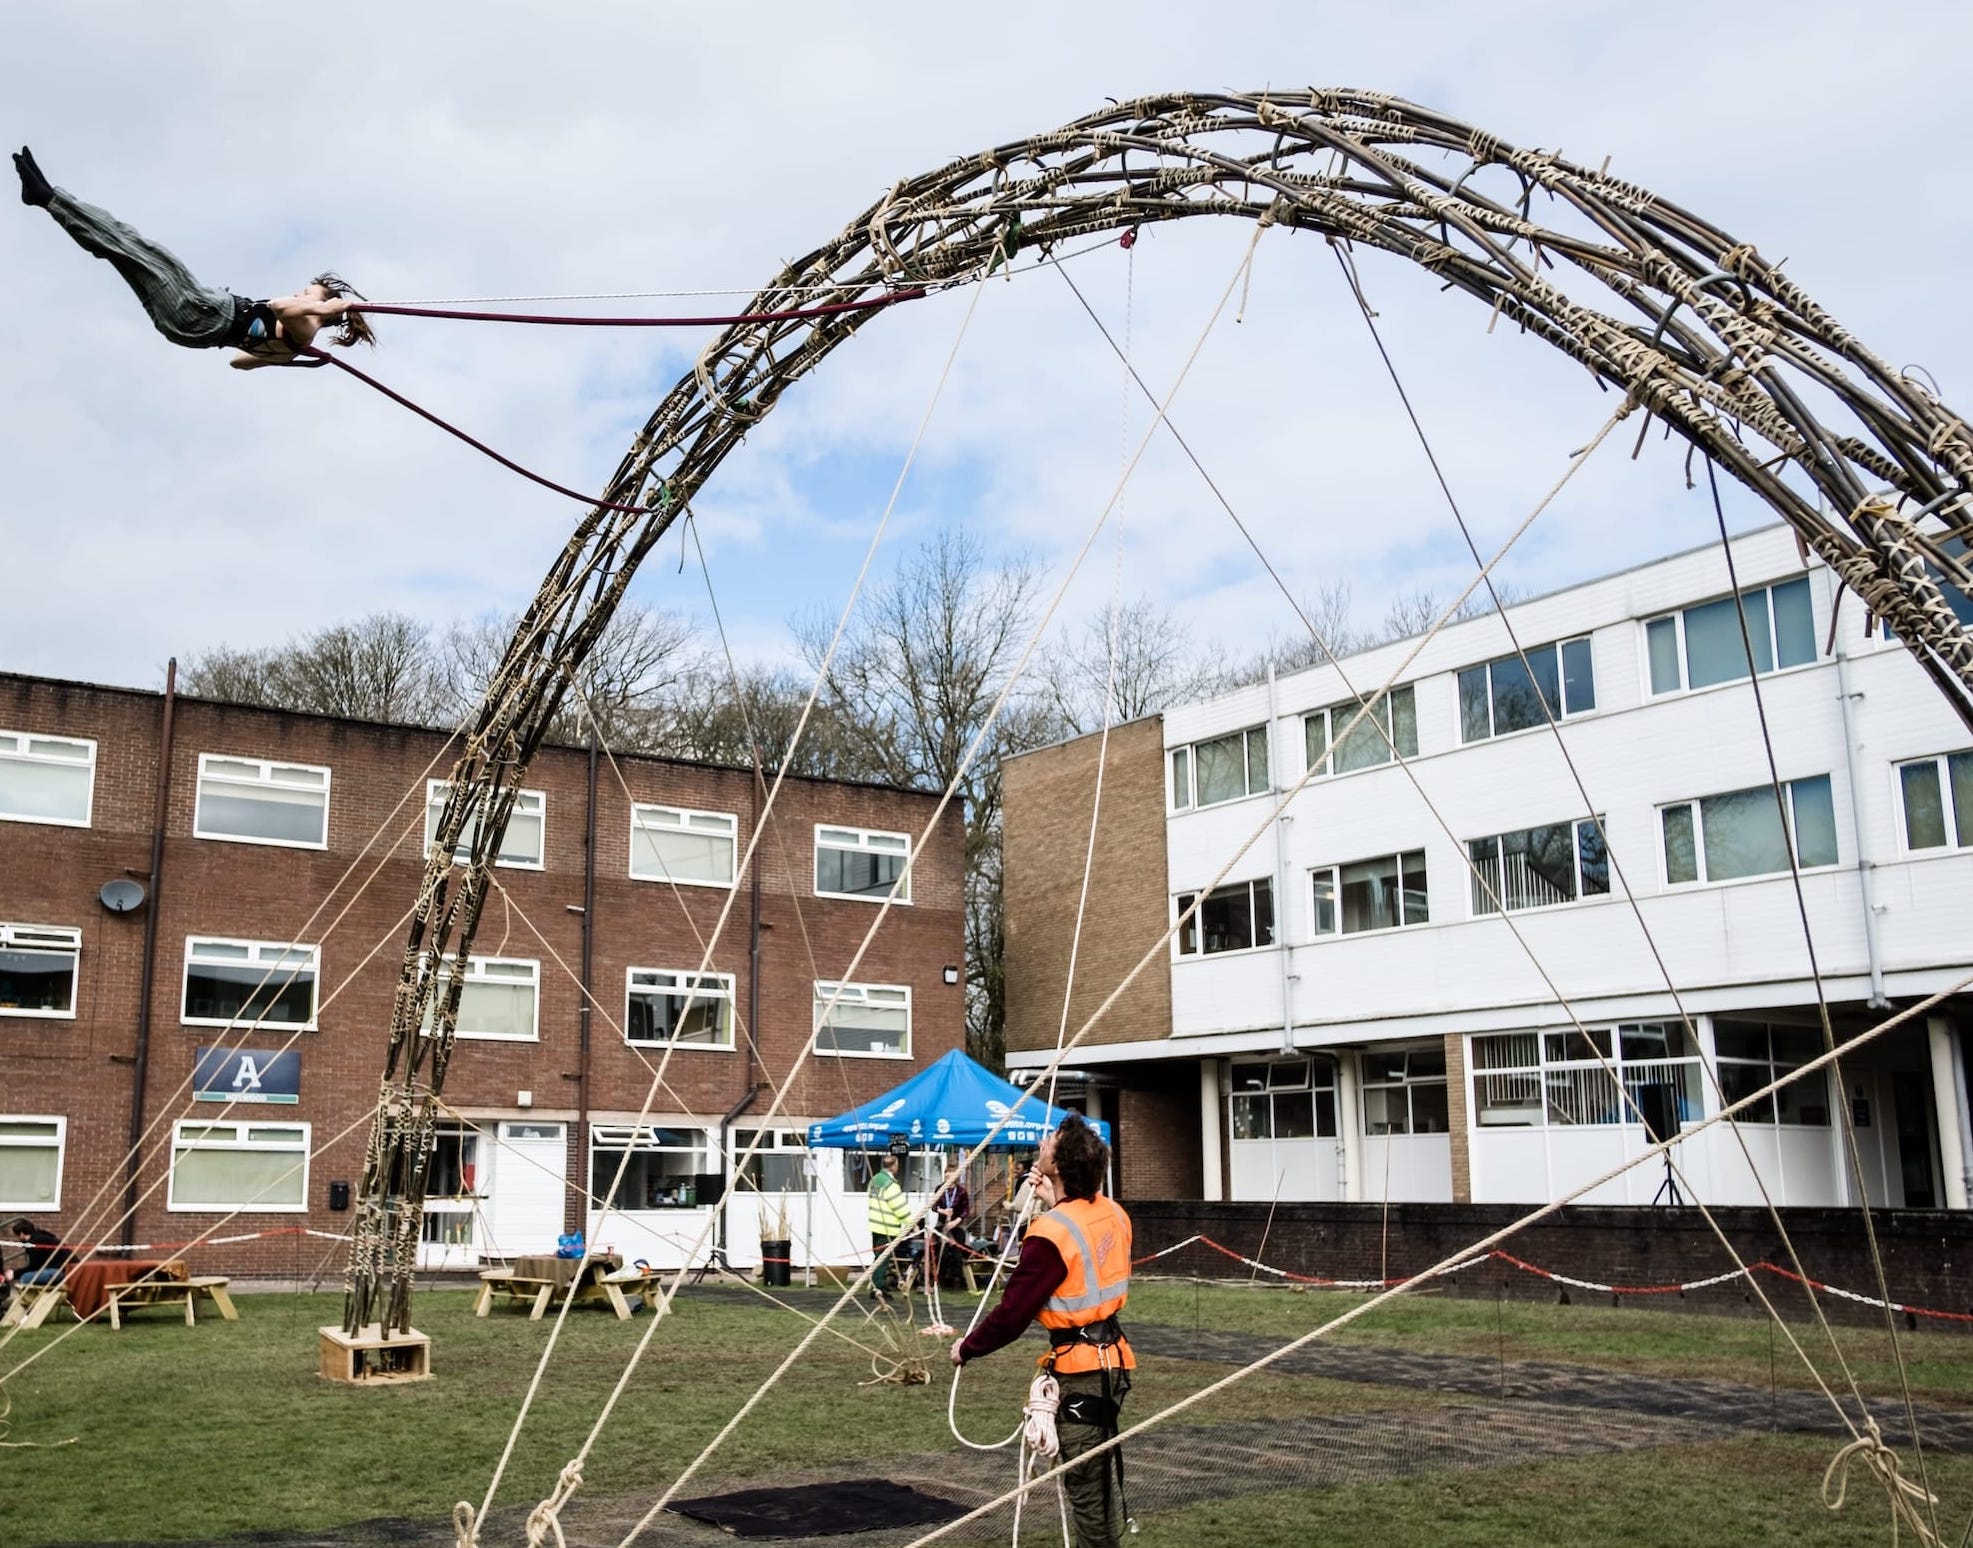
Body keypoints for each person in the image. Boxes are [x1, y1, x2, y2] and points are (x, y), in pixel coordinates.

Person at [14, 146, 376, 368]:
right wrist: (287, 359)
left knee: (131, 248)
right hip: (198, 322)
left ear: (323, 305)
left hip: (206, 314)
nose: (301, 294)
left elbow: (283, 307)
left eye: (308, 292)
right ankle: (49, 199)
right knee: (127, 248)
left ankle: (47, 197)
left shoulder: (306, 325)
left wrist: (332, 310)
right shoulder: (296, 343)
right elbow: (238, 363)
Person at [951, 1115, 1133, 1547]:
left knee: (1087, 1490)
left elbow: (1012, 1314)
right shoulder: (1112, 1212)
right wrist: (1056, 1201)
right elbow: (1083, 1240)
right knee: (1096, 1482)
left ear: (1060, 1163)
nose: (1043, 1140)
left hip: (1082, 1373)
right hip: (1112, 1363)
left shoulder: (1050, 1233)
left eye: (1051, 1140)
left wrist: (967, 1348)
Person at [866, 1153, 910, 1302]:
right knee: (882, 1260)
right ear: (894, 1166)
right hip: (887, 1227)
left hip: (875, 1225)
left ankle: (876, 1286)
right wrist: (911, 1223)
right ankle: (878, 1288)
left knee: (878, 1258)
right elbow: (899, 1206)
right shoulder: (891, 1184)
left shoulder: (874, 1180)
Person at [931, 1161, 971, 1290]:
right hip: (942, 1224)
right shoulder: (939, 1188)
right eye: (946, 1177)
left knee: (956, 1250)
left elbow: (966, 1210)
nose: (948, 1179)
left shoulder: (961, 1192)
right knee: (941, 1250)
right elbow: (933, 1206)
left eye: (951, 1177)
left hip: (956, 1225)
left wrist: (956, 1221)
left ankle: (957, 1279)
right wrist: (942, 1211)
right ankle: (939, 1278)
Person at [7, 1216, 72, 1288]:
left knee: (25, 1278)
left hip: (59, 1271)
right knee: (31, 1275)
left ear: (22, 1234)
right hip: (66, 1269)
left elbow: (34, 1266)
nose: (19, 1238)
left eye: (18, 1235)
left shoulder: (34, 1243)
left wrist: (14, 1274)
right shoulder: (42, 1237)